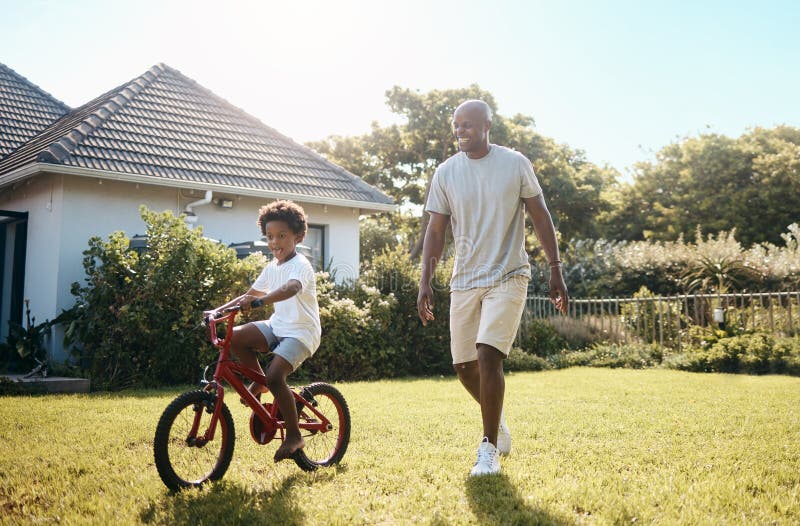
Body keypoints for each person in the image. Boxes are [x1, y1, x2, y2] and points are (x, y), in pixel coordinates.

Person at [417, 100, 568, 476]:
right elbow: (435, 231)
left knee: (488, 354)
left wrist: (555, 268)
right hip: (465, 279)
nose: (460, 131)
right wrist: (425, 282)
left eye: (467, 124)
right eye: (456, 125)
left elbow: (539, 214)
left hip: (509, 273)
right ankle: (495, 420)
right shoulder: (446, 173)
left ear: (487, 125)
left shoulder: (515, 163)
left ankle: (488, 450)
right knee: (463, 366)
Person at [207, 200, 321, 462]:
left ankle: (294, 436)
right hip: (278, 327)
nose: (275, 242)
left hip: (302, 333)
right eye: (270, 237)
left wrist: (261, 302)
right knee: (234, 337)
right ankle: (259, 382)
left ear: (298, 237)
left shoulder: (300, 265)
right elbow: (249, 295)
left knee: (275, 377)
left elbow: (290, 289)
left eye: (282, 236)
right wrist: (217, 311)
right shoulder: (272, 267)